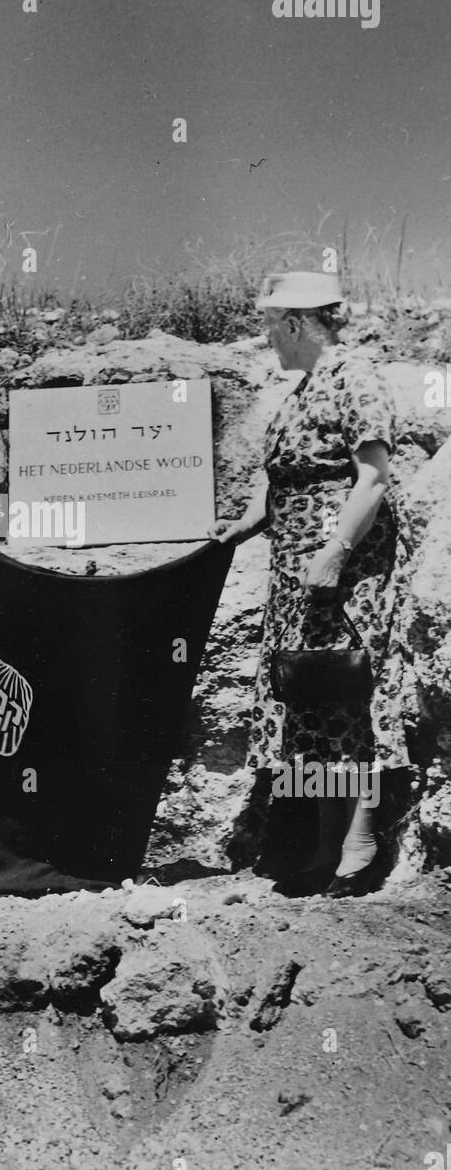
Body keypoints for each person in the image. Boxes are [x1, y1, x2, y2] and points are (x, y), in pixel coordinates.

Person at [209, 271, 410, 898]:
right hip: (297, 569)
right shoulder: (302, 390)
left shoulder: (356, 378)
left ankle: (359, 840)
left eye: (271, 325)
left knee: (342, 693)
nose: (268, 338)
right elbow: (286, 484)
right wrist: (240, 527)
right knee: (311, 703)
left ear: (296, 323)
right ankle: (328, 844)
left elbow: (371, 479)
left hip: (342, 572)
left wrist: (334, 554)